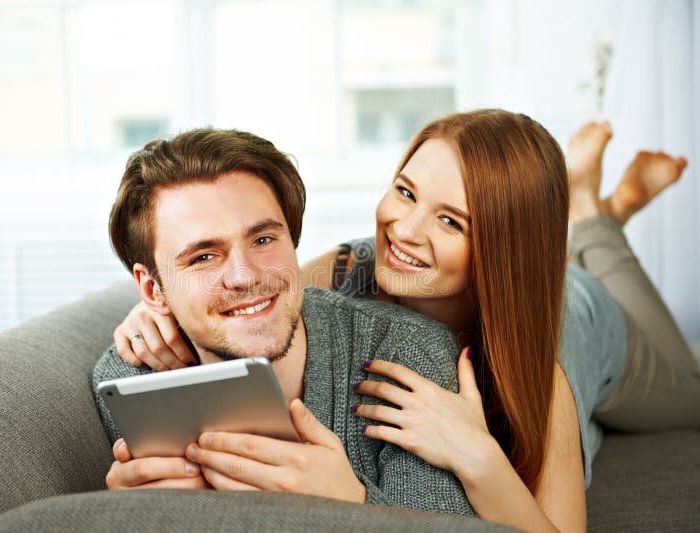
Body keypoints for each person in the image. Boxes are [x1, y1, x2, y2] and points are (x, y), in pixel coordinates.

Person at [111, 111, 700, 532]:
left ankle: (598, 215)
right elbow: (249, 293)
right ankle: (591, 208)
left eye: (452, 222)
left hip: (586, 312)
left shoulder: (547, 362)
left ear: (499, 248)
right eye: (405, 191)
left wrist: (478, 455)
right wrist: (157, 310)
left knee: (690, 395)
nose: (405, 230)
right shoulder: (346, 267)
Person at [91, 128, 476, 516]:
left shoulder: (409, 355)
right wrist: (133, 516)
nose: (245, 276)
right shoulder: (131, 379)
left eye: (262, 240)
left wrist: (352, 504)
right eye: (203, 257)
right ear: (153, 289)